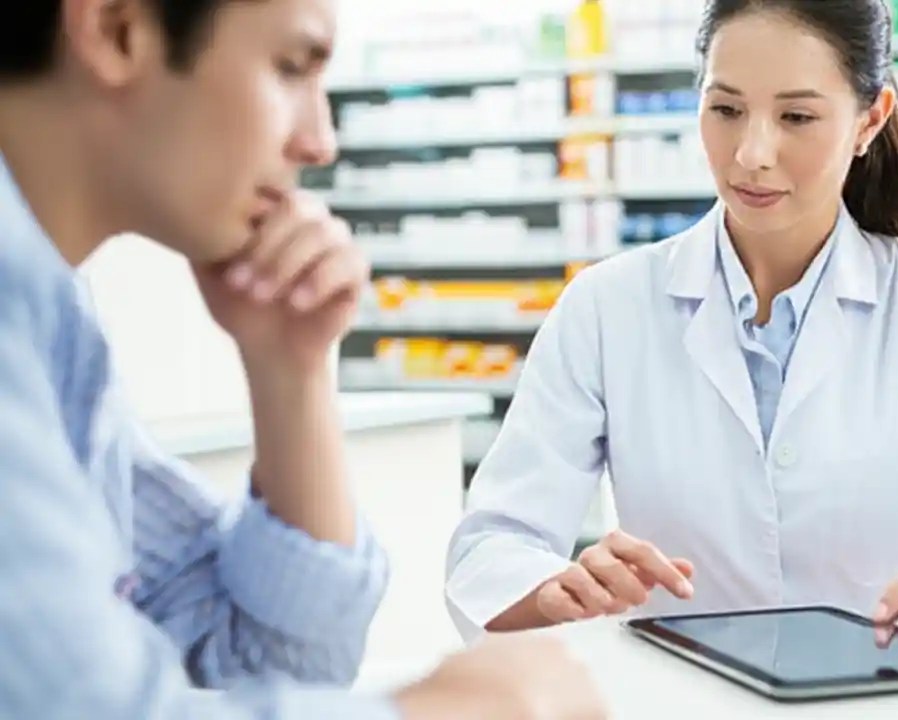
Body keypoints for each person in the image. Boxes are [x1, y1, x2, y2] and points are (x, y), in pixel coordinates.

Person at [446, 0, 898, 671]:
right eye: (726, 109)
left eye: (796, 116)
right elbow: (494, 545)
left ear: (869, 120)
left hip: (871, 698)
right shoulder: (605, 306)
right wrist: (557, 591)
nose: (751, 154)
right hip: (673, 701)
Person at [0, 1, 604, 718]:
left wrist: (290, 369)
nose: (321, 142)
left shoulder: (53, 320)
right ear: (115, 30)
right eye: (291, 67)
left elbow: (266, 658)